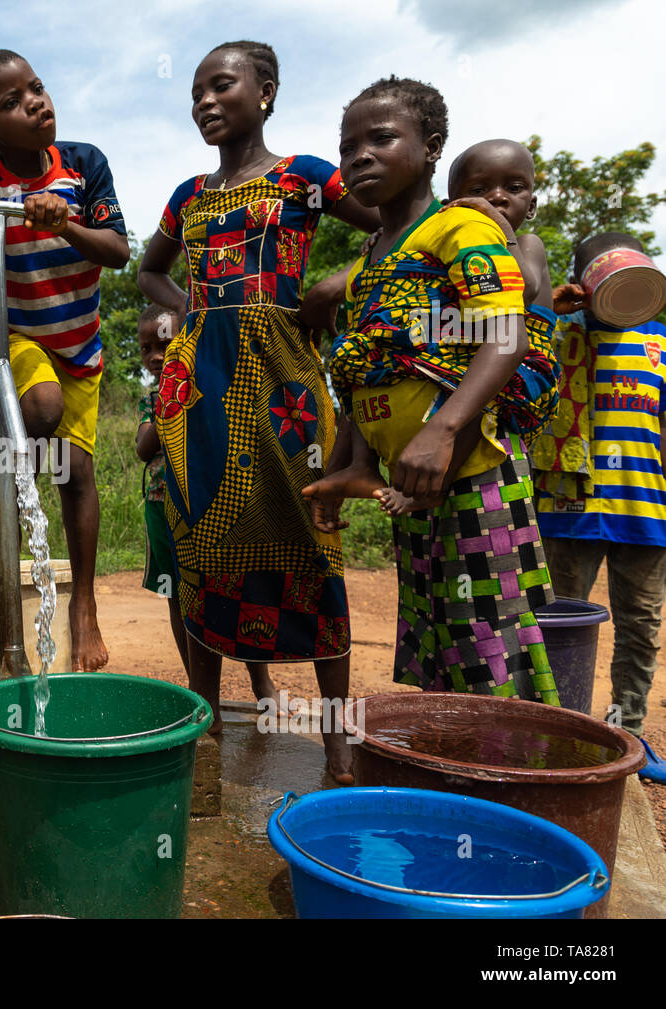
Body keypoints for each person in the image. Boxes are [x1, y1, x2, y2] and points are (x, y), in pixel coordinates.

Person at [137, 42, 379, 772]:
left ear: (265, 91)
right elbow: (150, 269)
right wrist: (195, 314)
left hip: (286, 380)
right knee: (202, 539)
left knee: (308, 534)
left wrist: (335, 284)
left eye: (222, 86)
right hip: (198, 386)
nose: (206, 102)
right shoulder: (188, 196)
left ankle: (337, 740)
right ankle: (205, 719)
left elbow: (392, 225)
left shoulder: (304, 177)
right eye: (196, 92)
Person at [308, 77, 559, 705]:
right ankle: (444, 783)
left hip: (477, 466)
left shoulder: (461, 228)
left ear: (432, 148)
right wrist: (344, 470)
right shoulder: (371, 259)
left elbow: (507, 336)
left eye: (382, 138)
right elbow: (369, 374)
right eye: (348, 147)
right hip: (414, 481)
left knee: (490, 642)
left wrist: (442, 429)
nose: (359, 156)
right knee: (435, 638)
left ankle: (510, 783)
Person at [0, 49, 130, 672]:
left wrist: (64, 222)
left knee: (76, 474)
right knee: (39, 408)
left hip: (82, 341)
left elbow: (118, 252)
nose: (36, 103)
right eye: (12, 102)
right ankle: (8, 526)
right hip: (21, 334)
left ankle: (84, 605)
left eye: (38, 89)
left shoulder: (83, 165)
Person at [372, 138, 561, 514]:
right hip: (486, 340)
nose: (497, 197)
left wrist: (500, 227)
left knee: (479, 401)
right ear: (451, 201)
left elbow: (525, 288)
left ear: (533, 203)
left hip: (526, 360)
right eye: (479, 190)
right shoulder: (459, 239)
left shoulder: (527, 242)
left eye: (514, 187)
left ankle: (435, 485)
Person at [533, 232, 666, 753]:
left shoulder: (659, 344)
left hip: (646, 511)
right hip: (569, 512)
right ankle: (561, 730)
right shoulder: (556, 338)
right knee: (561, 626)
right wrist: (547, 309)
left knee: (640, 628)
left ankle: (624, 730)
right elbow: (501, 353)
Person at [137, 304, 275, 718]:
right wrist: (170, 401)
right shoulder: (155, 397)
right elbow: (144, 447)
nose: (156, 357)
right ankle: (202, 693)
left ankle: (259, 678)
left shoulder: (216, 390)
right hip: (163, 510)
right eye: (146, 348)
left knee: (236, 591)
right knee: (177, 597)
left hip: (212, 510)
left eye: (166, 345)